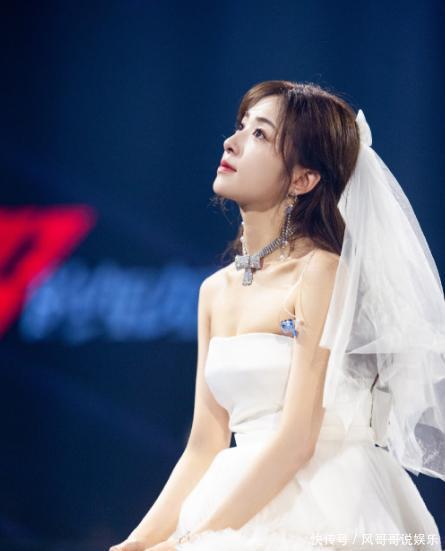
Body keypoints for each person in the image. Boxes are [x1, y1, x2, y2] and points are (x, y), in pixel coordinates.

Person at [109, 81, 443, 551]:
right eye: (241, 126)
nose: (232, 142)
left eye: (260, 134)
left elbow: (298, 439)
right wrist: (138, 542)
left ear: (303, 179)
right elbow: (205, 444)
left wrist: (195, 539)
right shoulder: (214, 292)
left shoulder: (320, 272)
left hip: (324, 498)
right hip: (236, 493)